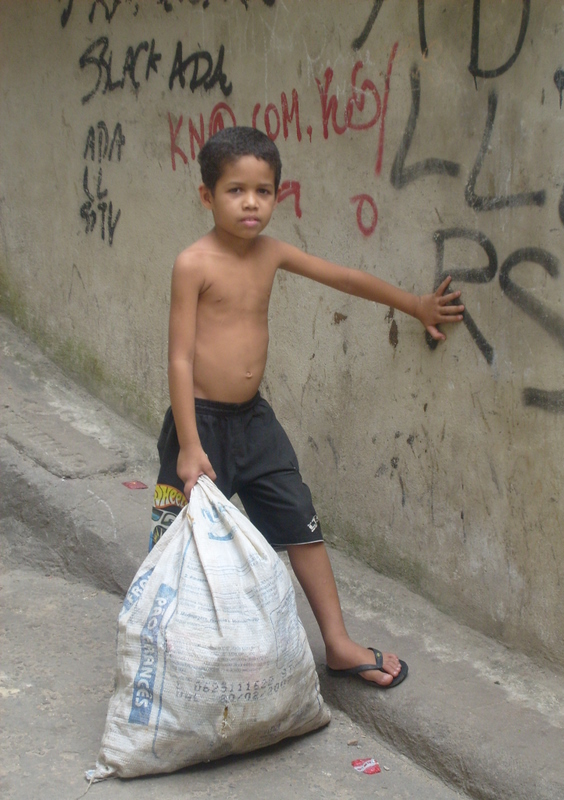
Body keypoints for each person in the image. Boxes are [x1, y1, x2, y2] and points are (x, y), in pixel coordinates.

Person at [150, 126, 463, 688]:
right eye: (235, 190)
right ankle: (174, 655)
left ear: (277, 195)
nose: (251, 202)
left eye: (263, 191)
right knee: (181, 543)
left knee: (303, 524)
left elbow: (342, 277)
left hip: (254, 422)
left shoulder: (271, 253)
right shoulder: (192, 263)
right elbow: (178, 359)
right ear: (206, 196)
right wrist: (190, 446)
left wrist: (415, 304)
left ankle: (338, 645)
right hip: (199, 427)